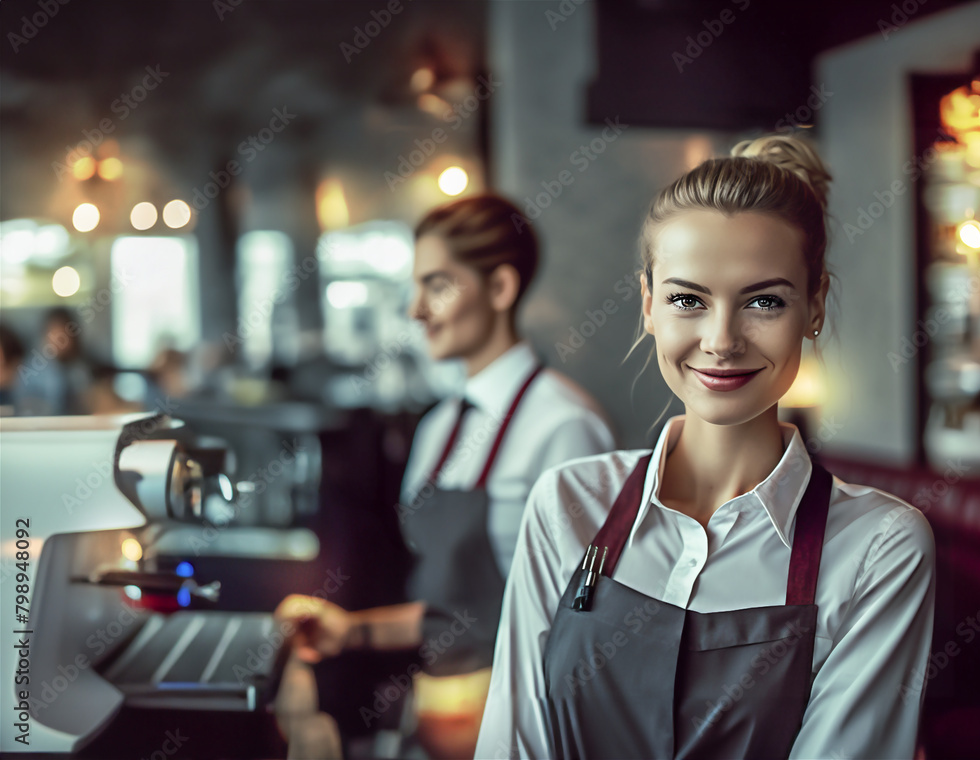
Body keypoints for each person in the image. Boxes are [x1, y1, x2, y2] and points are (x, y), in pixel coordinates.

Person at [475, 136, 936, 760]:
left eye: (763, 301)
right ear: (648, 305)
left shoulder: (880, 548)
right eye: (688, 299)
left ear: (815, 305)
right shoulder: (568, 503)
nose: (721, 340)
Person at [275, 194, 616, 758]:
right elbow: (456, 612)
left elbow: (591, 625)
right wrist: (351, 630)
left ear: (501, 289)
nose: (415, 310)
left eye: (437, 285)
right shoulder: (437, 428)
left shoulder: (566, 428)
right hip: (437, 715)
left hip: (526, 727)